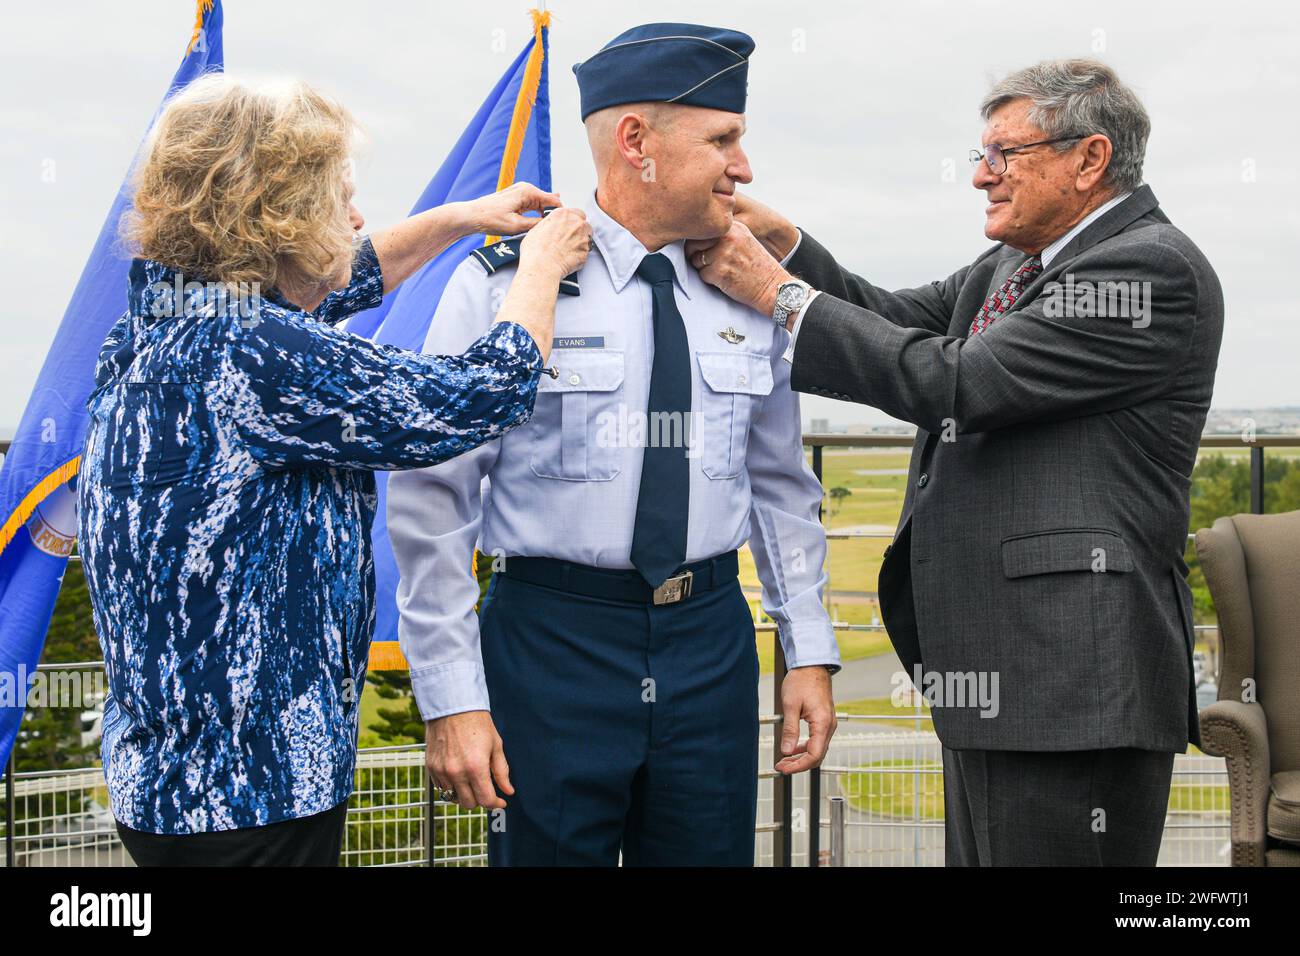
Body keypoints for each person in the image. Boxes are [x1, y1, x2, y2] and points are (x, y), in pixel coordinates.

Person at [684, 58, 1224, 866]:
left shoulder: (1145, 271)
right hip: (1007, 671)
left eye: (1006, 154)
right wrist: (785, 245)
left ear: (1090, 158)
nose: (981, 177)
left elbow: (959, 379)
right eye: (982, 155)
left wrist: (775, 294)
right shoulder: (1019, 263)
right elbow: (898, 319)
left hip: (1072, 685)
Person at [77, 73, 591, 865]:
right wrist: (539, 269)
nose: (355, 218)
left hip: (167, 788)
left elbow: (335, 278)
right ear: (273, 214)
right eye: (336, 197)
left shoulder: (166, 317)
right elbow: (476, 398)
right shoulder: (252, 352)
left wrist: (461, 219)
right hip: (250, 801)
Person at [388, 23, 840, 867]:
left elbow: (779, 485)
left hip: (709, 641)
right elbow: (433, 501)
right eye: (723, 139)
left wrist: (807, 650)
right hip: (549, 647)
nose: (743, 167)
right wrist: (451, 698)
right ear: (637, 142)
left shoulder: (748, 289)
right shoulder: (506, 285)